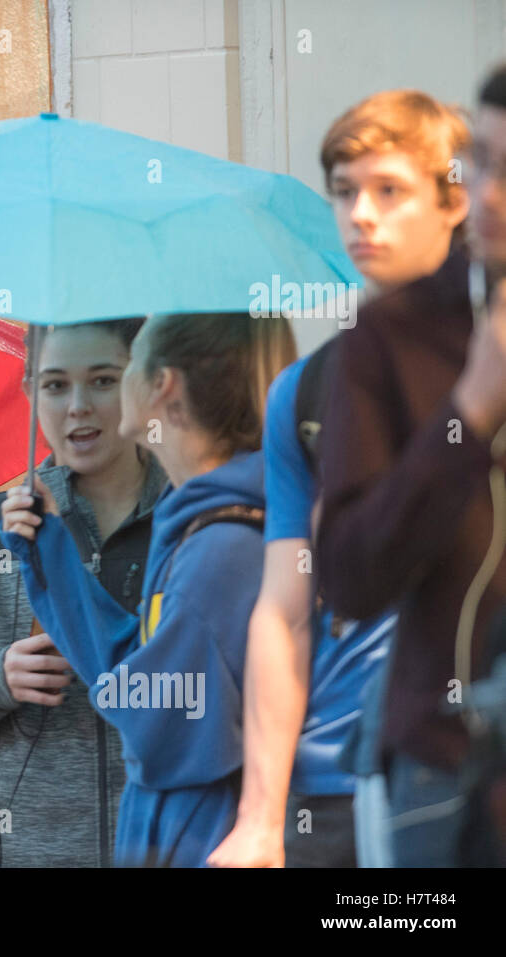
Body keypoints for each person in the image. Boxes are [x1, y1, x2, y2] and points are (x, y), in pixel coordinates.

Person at [209, 90, 470, 868]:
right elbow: (284, 608)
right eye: (345, 191)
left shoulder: (487, 361)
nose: (361, 215)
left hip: (467, 760)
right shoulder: (307, 391)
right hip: (332, 782)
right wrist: (260, 817)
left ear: (455, 199)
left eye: (389, 190)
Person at [0, 313, 295, 867]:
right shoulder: (193, 523)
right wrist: (50, 553)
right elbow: (130, 666)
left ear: (162, 386)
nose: (82, 403)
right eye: (55, 384)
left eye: (122, 367)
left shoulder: (220, 551)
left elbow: (154, 724)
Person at [317, 65, 506, 867]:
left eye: (389, 190)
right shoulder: (389, 337)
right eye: (483, 162)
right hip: (448, 764)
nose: (488, 193)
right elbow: (344, 577)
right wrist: (470, 409)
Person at [0, 318, 167, 867]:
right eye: (55, 385)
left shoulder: (195, 519)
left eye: (102, 380)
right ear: (29, 390)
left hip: (168, 846)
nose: (78, 407)